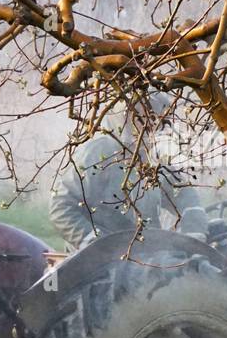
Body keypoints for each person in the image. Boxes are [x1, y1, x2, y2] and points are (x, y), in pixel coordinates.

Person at [49, 98, 212, 250]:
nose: (151, 125)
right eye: (143, 118)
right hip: (98, 257)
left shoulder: (157, 157)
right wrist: (92, 240)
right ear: (125, 119)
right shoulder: (97, 153)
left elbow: (186, 197)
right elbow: (61, 206)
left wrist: (194, 231)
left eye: (156, 120)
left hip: (146, 252)